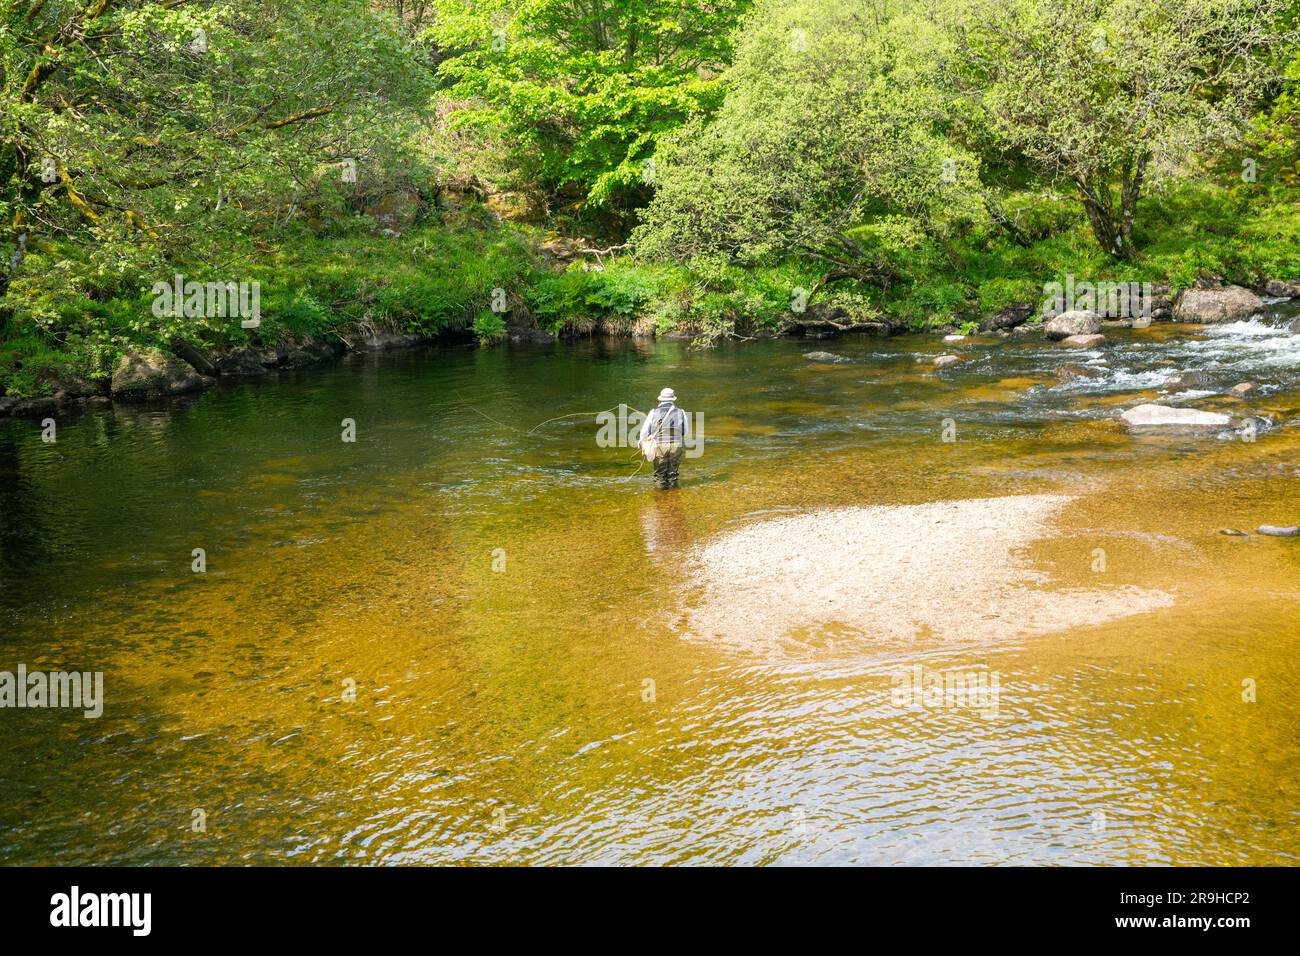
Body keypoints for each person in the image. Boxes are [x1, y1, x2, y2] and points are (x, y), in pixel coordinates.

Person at [638, 388, 689, 490]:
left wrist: (640, 442)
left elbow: (644, 432)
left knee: (660, 475)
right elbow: (685, 431)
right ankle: (674, 498)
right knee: (673, 475)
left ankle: (661, 499)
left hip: (660, 446)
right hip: (676, 445)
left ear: (660, 400)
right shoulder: (681, 412)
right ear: (673, 400)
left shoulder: (653, 412)